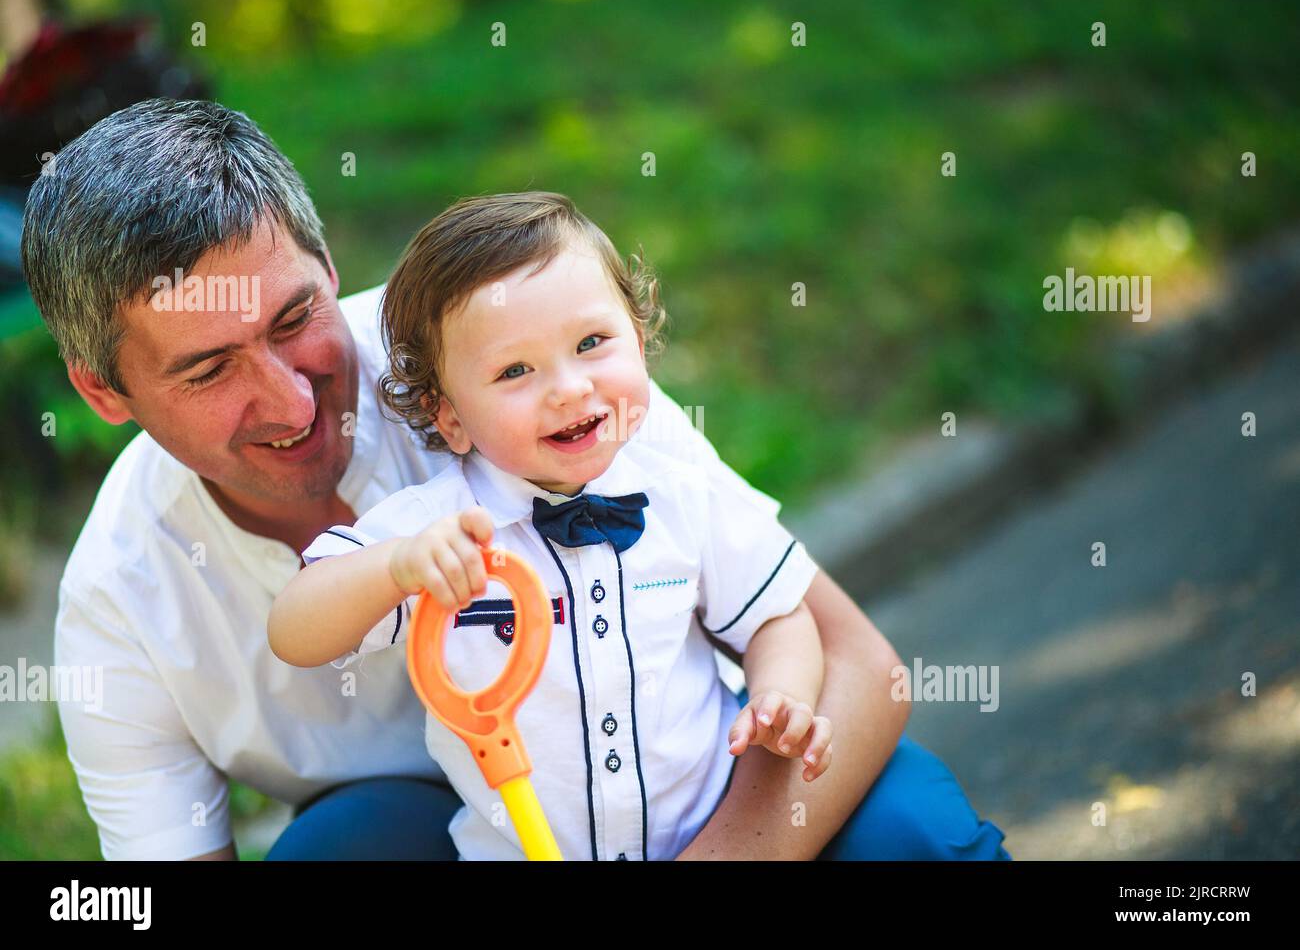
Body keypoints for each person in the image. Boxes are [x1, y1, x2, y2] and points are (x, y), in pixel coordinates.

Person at [22, 97, 1010, 860]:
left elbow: (859, 666)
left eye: (294, 320)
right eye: (206, 369)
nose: (289, 399)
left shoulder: (522, 360)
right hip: (445, 841)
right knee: (345, 844)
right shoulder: (121, 600)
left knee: (906, 833)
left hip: (689, 802)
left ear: (327, 264)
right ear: (104, 390)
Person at [269, 192, 834, 860]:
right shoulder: (438, 533)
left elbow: (778, 615)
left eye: (591, 343)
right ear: (448, 416)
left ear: (639, 331)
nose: (568, 388)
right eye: (515, 371)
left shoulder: (681, 489)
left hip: (712, 835)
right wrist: (395, 567)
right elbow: (294, 630)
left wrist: (780, 696)